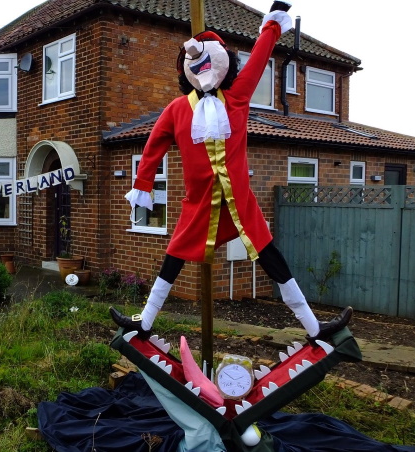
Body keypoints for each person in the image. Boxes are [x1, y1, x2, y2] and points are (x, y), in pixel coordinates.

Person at [110, 0, 352, 344]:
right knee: (174, 257)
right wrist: (143, 185)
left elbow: (258, 61)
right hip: (199, 203)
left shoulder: (237, 97)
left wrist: (271, 25)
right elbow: (153, 147)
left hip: (240, 199)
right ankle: (145, 322)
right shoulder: (177, 110)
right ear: (185, 71)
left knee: (271, 257)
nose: (204, 68)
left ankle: (314, 327)